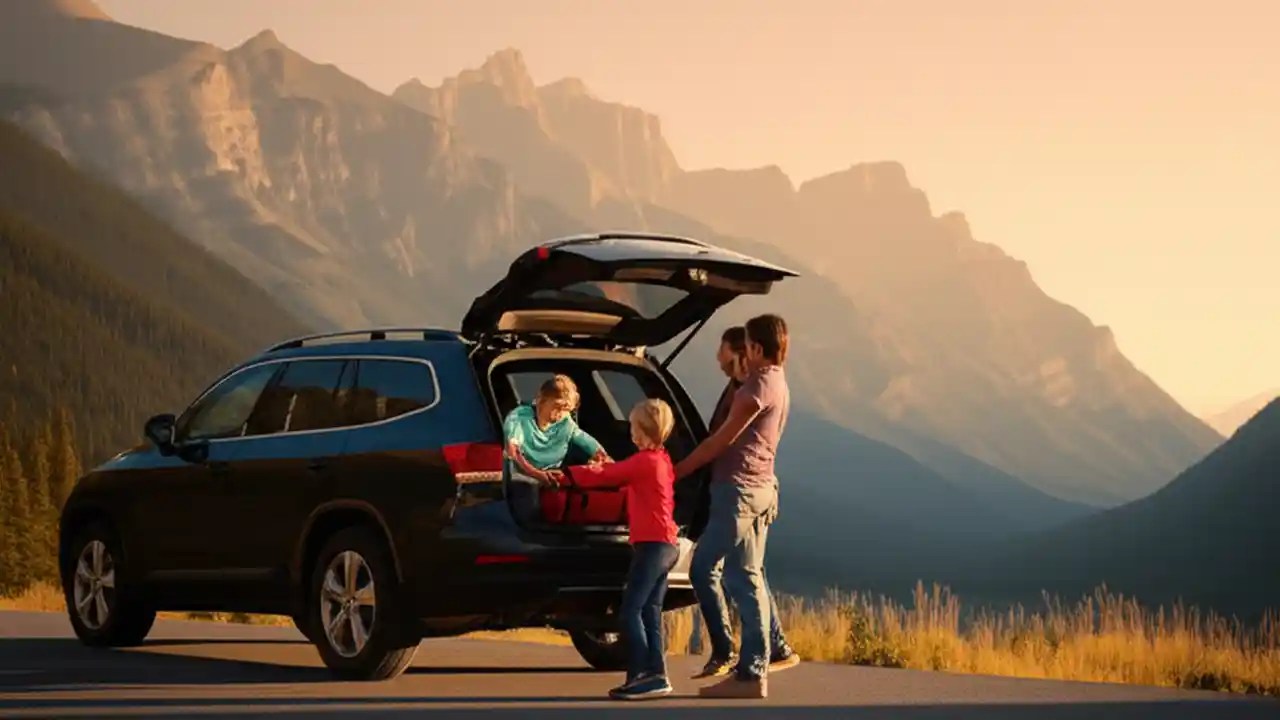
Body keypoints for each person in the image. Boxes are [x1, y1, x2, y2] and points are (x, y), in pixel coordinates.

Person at [675, 314, 791, 699]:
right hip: (761, 488)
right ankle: (754, 665)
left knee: (711, 569)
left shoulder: (754, 389)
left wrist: (678, 470)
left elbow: (719, 442)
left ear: (755, 347)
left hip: (738, 491)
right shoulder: (778, 381)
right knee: (749, 575)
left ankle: (746, 669)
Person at [569, 399, 680, 701]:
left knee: (630, 610)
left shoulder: (644, 461)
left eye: (633, 426)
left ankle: (642, 674)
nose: (630, 431)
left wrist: (568, 474)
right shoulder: (660, 460)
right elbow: (624, 479)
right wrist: (607, 468)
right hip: (666, 545)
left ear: (642, 430)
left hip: (653, 547)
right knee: (650, 610)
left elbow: (607, 476)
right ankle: (656, 675)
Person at [502, 375, 610, 519]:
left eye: (566, 409)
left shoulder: (565, 423)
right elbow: (513, 452)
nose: (561, 414)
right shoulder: (519, 418)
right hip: (524, 480)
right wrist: (537, 474)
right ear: (541, 400)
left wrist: (603, 461)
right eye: (557, 407)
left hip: (554, 480)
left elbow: (590, 445)